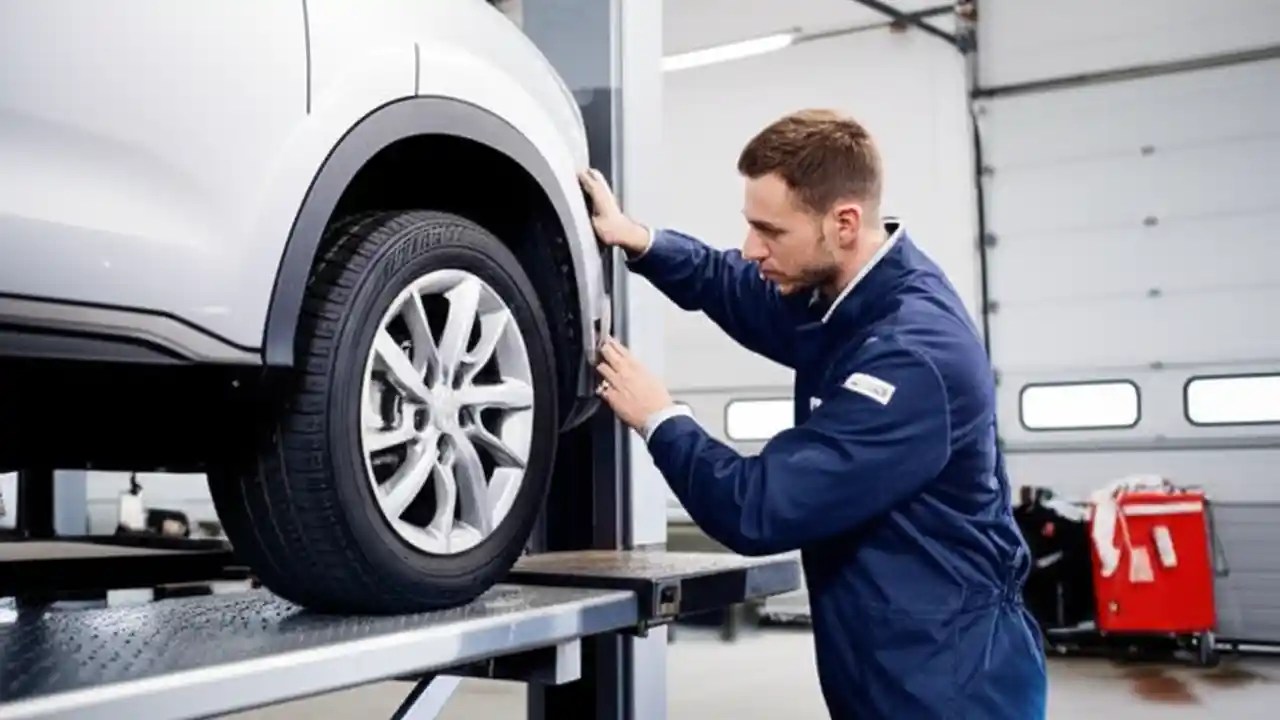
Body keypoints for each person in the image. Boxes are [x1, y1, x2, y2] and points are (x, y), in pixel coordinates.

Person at [580, 109, 1047, 719]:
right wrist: (641, 240)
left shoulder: (911, 358)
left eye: (769, 231)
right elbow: (734, 286)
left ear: (844, 222)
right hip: (892, 662)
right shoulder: (843, 296)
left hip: (949, 684)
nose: (752, 249)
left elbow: (759, 508)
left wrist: (661, 417)